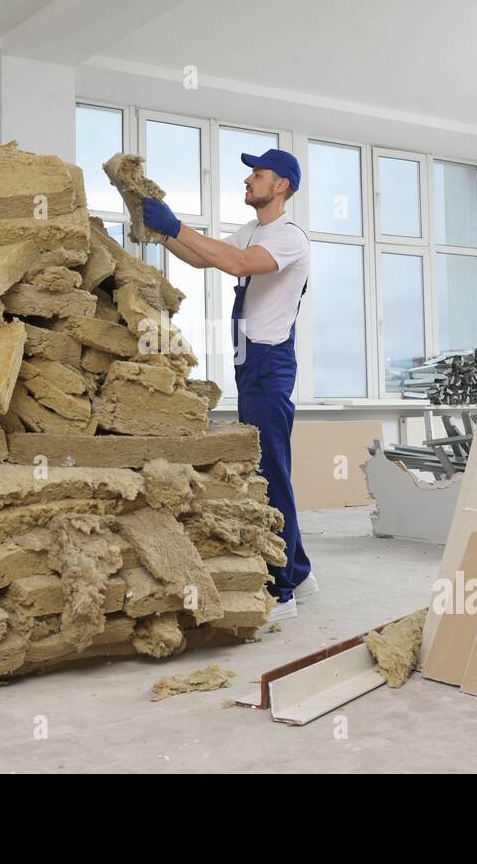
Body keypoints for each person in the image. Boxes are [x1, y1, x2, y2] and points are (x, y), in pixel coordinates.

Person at [139, 148, 315, 621]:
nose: (247, 181)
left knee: (268, 471)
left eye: (257, 175)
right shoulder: (255, 230)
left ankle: (282, 590)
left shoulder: (289, 237)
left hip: (269, 363)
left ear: (281, 185)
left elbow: (237, 264)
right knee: (269, 464)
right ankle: (299, 568)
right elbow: (204, 260)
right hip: (249, 360)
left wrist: (176, 226)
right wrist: (163, 233)